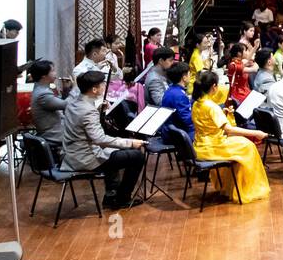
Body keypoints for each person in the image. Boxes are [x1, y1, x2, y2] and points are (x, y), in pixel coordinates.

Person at [61, 70, 147, 210]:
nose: (104, 87)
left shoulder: (73, 103)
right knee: (136, 156)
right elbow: (100, 139)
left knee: (116, 152)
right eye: (102, 84)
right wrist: (130, 142)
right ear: (94, 89)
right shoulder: (88, 111)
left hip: (71, 154)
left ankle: (111, 194)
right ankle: (122, 198)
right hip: (85, 158)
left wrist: (99, 110)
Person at [191, 70, 270, 204]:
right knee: (248, 146)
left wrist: (223, 113)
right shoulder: (211, 106)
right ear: (214, 87)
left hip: (200, 145)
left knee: (242, 145)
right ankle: (243, 189)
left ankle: (231, 187)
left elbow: (208, 123)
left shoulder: (196, 103)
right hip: (213, 147)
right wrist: (256, 133)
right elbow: (229, 130)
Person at [28, 59, 67, 156]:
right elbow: (66, 105)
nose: (55, 73)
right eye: (53, 71)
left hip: (56, 130)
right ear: (44, 76)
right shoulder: (43, 94)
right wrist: (75, 88)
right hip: (54, 134)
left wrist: (66, 88)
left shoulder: (41, 88)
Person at [159, 62, 195, 140]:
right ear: (184, 77)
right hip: (176, 134)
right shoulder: (180, 95)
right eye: (189, 74)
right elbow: (187, 121)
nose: (190, 76)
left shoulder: (170, 89)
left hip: (168, 130)